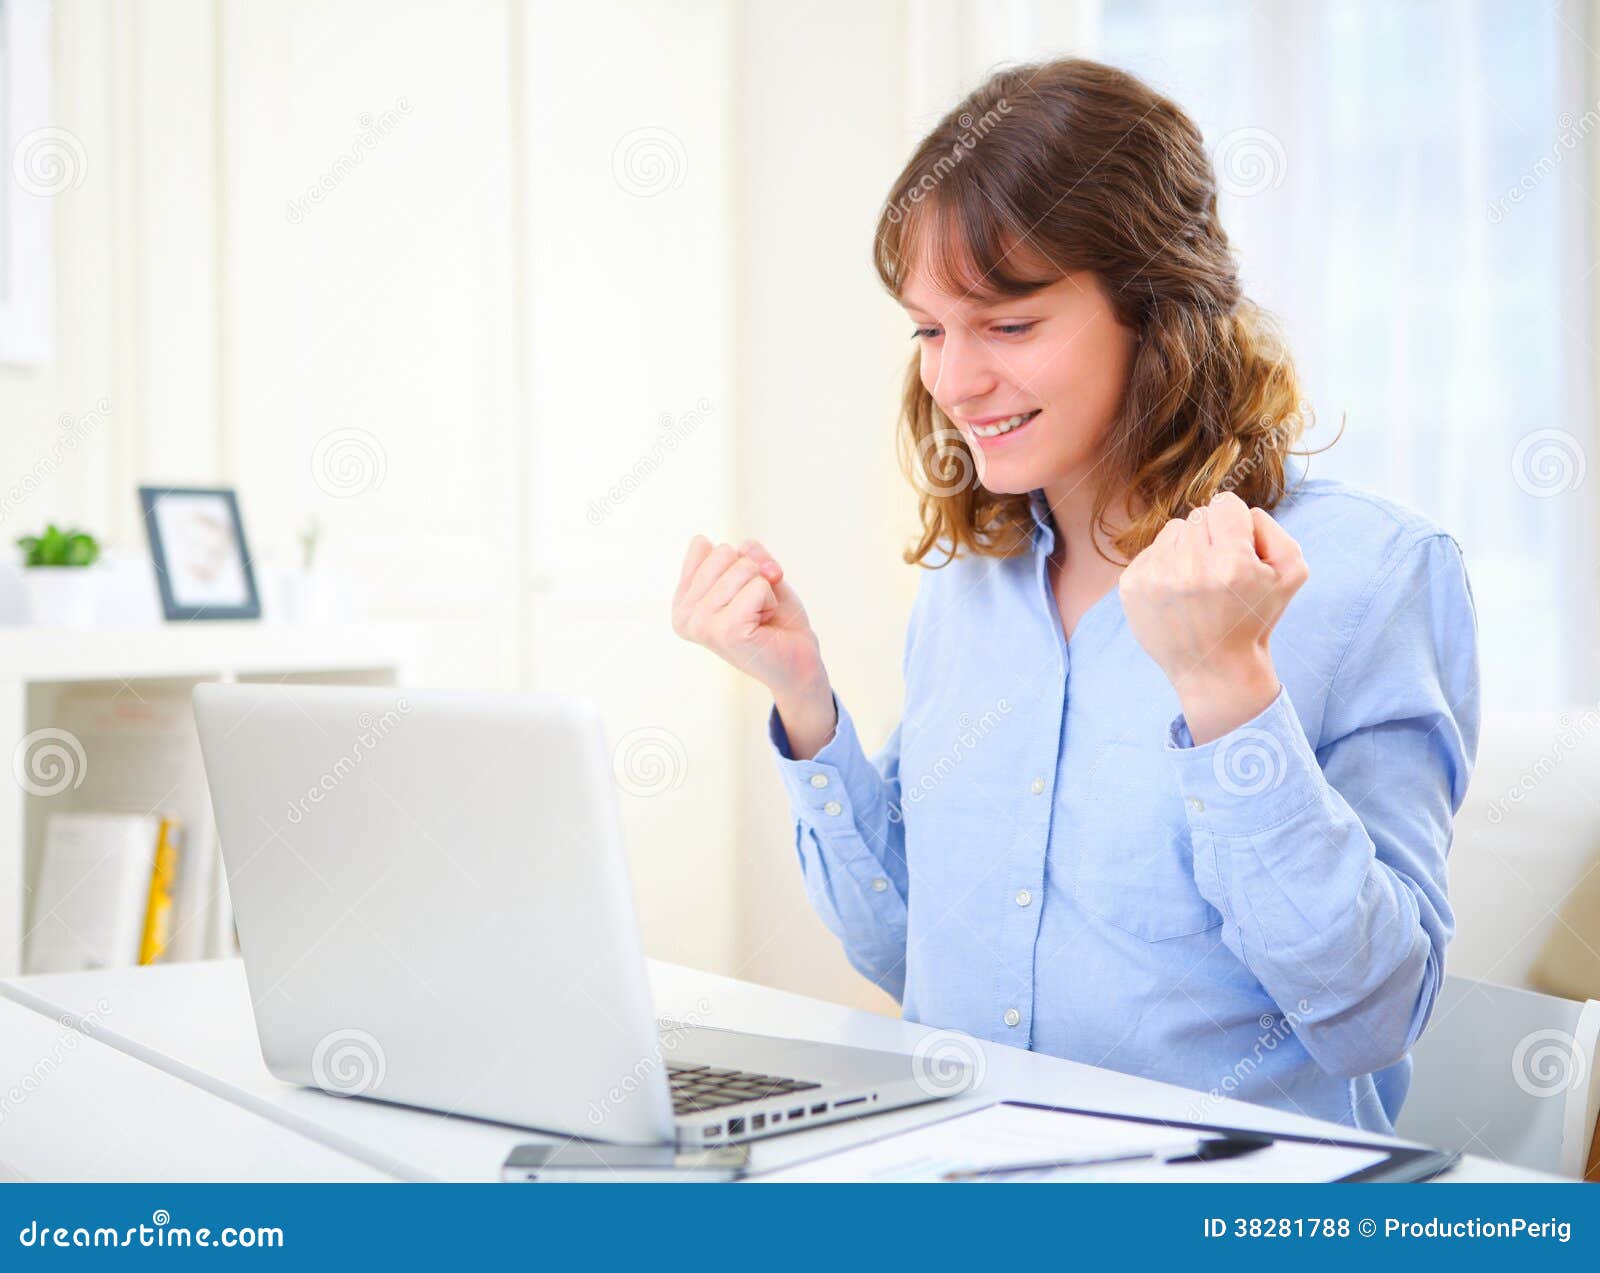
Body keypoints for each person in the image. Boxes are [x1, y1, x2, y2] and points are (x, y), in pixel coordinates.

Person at [670, 58, 1478, 1134]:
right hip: (964, 1179)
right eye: (928, 329)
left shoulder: (1371, 575)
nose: (952, 382)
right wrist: (806, 704)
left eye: (1006, 326)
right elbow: (911, 945)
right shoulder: (972, 588)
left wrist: (1226, 687)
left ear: (1155, 310)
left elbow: (1372, 1018)